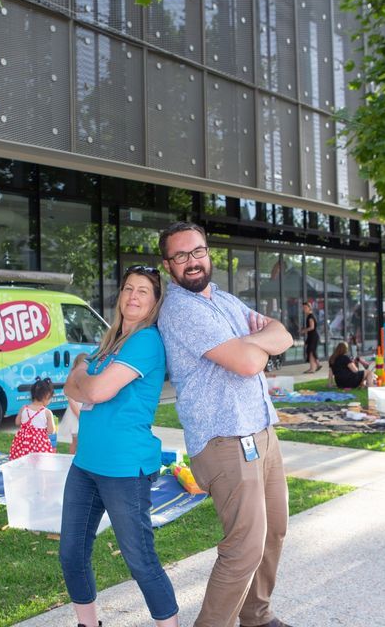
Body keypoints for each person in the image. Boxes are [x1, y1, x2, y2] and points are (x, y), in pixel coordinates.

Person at [157, 222, 293, 627]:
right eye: (180, 255)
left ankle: (256, 615)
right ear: (167, 265)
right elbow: (249, 363)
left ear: (208, 253)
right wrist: (256, 345)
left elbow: (283, 334)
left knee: (274, 532)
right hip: (226, 440)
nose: (192, 261)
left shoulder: (225, 299)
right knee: (244, 547)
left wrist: (250, 343)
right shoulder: (181, 310)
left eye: (197, 251)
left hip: (262, 431)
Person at [60, 265, 178, 627]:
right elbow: (68, 389)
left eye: (143, 291)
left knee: (140, 560)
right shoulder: (111, 342)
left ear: (155, 303)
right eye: (128, 288)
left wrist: (82, 372)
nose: (133, 296)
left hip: (125, 468)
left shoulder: (146, 341)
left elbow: (92, 390)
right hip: (86, 464)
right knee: (71, 554)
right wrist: (83, 378)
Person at [9, 378, 56, 460]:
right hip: (39, 445)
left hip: (23, 443)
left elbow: (17, 422)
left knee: (22, 461)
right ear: (47, 396)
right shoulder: (47, 412)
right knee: (39, 462)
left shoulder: (24, 408)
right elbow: (51, 431)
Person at [57, 356, 85, 455]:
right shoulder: (72, 379)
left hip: (83, 411)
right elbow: (71, 400)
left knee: (82, 440)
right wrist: (79, 415)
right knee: (76, 440)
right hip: (75, 414)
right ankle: (71, 457)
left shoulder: (86, 378)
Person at [301, 301, 320, 372]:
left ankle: (315, 366)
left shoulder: (310, 317)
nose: (304, 309)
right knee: (310, 352)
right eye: (303, 308)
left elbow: (312, 327)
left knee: (311, 351)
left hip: (313, 336)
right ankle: (313, 367)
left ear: (309, 308)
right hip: (311, 336)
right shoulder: (309, 316)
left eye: (305, 307)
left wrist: (304, 330)